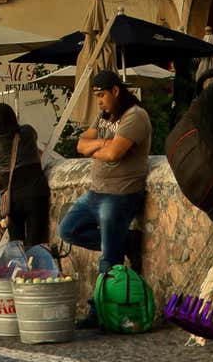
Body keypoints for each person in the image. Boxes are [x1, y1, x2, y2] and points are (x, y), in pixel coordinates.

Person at [59, 69, 153, 324]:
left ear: (115, 91)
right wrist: (102, 144)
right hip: (96, 192)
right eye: (96, 96)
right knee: (67, 230)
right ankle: (127, 242)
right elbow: (80, 145)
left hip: (120, 194)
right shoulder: (104, 117)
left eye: (102, 95)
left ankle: (98, 312)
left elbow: (115, 155)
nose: (99, 101)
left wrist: (101, 147)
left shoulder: (134, 116)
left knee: (108, 259)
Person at [3, 124, 51, 251]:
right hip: (35, 196)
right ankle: (34, 268)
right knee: (35, 244)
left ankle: (19, 269)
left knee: (16, 246)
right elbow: (33, 133)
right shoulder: (27, 133)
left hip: (13, 201)